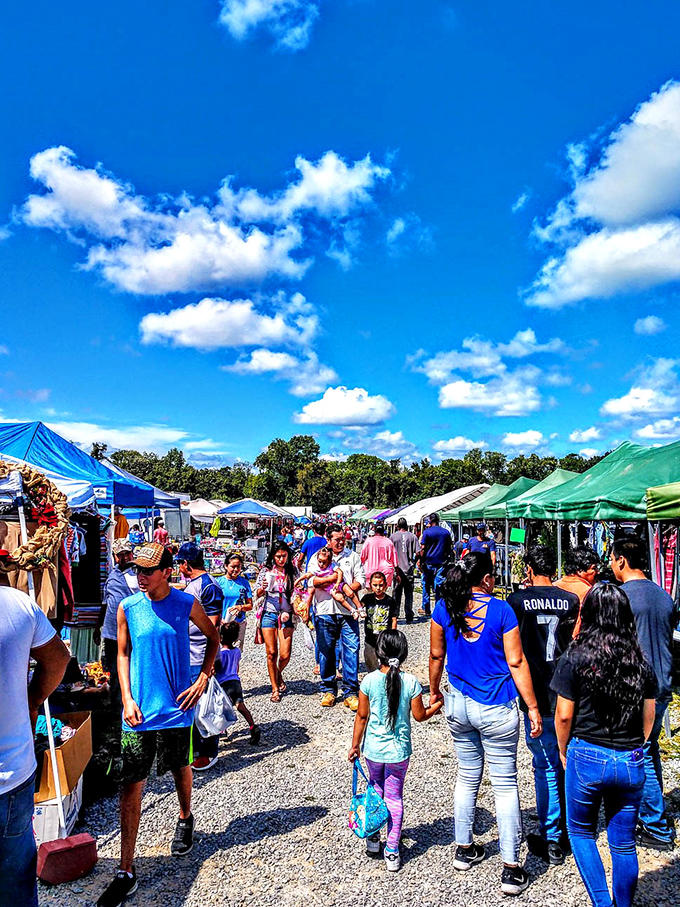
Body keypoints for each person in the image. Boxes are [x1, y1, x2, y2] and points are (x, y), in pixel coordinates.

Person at [98, 543, 219, 907]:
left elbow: (213, 637)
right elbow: (122, 653)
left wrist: (203, 677)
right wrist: (127, 697)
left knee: (181, 766)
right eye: (137, 569)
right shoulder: (128, 607)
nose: (141, 575)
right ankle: (126, 869)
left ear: (168, 571)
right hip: (138, 713)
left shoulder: (185, 604)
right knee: (130, 787)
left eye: (149, 570)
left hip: (177, 708)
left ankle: (185, 817)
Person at [429, 552, 541, 896]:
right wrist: (533, 706)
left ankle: (464, 849)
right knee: (505, 783)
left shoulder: (444, 608)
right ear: (488, 579)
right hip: (496, 705)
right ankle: (510, 867)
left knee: (466, 775)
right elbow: (517, 661)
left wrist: (434, 692)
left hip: (458, 703)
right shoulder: (502, 610)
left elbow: (436, 656)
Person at [552, 583, 657, 907]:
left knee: (582, 833)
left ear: (589, 615)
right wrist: (638, 744)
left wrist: (562, 748)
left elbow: (564, 716)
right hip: (630, 758)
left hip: (587, 755)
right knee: (623, 844)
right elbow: (649, 714)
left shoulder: (574, 657)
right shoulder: (639, 660)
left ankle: (602, 903)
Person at [508, 545, 579, 865]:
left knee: (545, 765)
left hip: (535, 690)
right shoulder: (571, 600)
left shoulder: (517, 602)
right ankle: (571, 826)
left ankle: (553, 835)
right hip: (565, 688)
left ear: (529, 569)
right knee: (566, 760)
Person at [0, 581, 70, 907]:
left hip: (13, 775)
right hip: (11, 774)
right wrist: (32, 701)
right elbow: (58, 658)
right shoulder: (18, 605)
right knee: (14, 887)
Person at [349, 629, 442, 872]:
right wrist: (436, 707)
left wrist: (354, 745)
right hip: (398, 752)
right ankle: (392, 849)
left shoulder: (368, 681)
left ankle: (373, 838)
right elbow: (420, 716)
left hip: (373, 750)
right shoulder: (411, 682)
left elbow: (362, 716)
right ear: (404, 654)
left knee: (375, 791)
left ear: (378, 654)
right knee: (394, 797)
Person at [610, 536, 677, 849]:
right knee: (648, 752)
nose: (611, 565)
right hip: (662, 684)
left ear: (622, 559)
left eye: (612, 559)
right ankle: (650, 813)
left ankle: (655, 825)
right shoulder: (664, 596)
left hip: (636, 687)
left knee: (639, 755)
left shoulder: (621, 597)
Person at [175, 542, 224, 772]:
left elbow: (213, 627)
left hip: (200, 655)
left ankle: (209, 752)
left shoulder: (208, 586)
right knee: (194, 705)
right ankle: (197, 747)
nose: (179, 568)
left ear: (186, 563)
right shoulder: (195, 584)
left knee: (206, 705)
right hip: (191, 654)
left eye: (179, 563)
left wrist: (210, 662)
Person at [308, 524, 365, 710]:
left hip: (348, 613)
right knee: (326, 651)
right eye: (336, 539)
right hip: (324, 609)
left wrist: (346, 590)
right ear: (328, 540)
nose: (340, 542)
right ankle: (328, 689)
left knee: (352, 649)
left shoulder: (352, 556)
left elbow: (361, 580)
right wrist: (331, 581)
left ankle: (350, 692)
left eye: (343, 538)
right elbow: (311, 580)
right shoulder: (318, 557)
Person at [96, 538, 139, 710]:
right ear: (114, 556)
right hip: (111, 630)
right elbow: (105, 602)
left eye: (126, 554)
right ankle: (116, 703)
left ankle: (130, 701)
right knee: (114, 668)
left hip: (131, 630)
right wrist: (97, 627)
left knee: (131, 666)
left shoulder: (138, 574)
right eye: (120, 555)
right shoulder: (112, 574)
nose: (124, 558)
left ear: (131, 553)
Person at [255, 541, 297, 702]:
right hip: (268, 613)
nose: (281, 559)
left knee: (285, 654)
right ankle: (274, 688)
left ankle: (277, 673)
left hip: (286, 613)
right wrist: (263, 587)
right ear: (273, 556)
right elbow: (257, 593)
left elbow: (299, 589)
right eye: (278, 556)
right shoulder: (266, 571)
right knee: (271, 652)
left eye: (284, 556)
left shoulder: (292, 571)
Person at [215, 622, 260, 744]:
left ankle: (222, 731)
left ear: (221, 637)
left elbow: (218, 668)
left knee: (222, 707)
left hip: (224, 684)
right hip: (236, 682)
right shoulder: (237, 652)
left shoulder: (221, 653)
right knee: (240, 705)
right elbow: (237, 667)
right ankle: (252, 726)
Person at [296, 544, 365, 619]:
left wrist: (338, 582)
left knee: (350, 593)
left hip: (340, 584)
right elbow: (308, 577)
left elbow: (340, 572)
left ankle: (360, 608)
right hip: (330, 592)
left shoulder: (332, 565)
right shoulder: (316, 567)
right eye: (319, 561)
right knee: (340, 599)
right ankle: (352, 610)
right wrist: (298, 580)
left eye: (324, 562)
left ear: (329, 561)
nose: (321, 564)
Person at [214, 552, 253, 650]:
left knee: (235, 654)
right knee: (219, 654)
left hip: (238, 623)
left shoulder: (244, 583)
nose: (236, 569)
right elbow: (212, 604)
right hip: (222, 623)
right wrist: (218, 619)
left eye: (238, 566)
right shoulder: (218, 582)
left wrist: (240, 607)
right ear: (226, 566)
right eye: (233, 566)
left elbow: (250, 605)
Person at [362, 571, 398, 671]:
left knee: (386, 662)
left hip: (385, 638)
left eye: (381, 585)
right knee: (370, 660)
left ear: (386, 585)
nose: (378, 588)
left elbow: (394, 619)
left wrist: (393, 635)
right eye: (375, 585)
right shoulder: (367, 598)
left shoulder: (390, 601)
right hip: (370, 638)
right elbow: (359, 607)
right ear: (370, 586)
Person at [419, 512, 452, 618]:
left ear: (430, 521)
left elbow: (423, 548)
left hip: (428, 562)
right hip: (441, 562)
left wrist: (420, 560)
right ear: (438, 521)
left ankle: (426, 608)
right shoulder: (446, 533)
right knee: (439, 586)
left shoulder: (427, 532)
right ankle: (438, 608)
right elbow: (449, 548)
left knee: (426, 585)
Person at [391, 517, 420, 623]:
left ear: (397, 526)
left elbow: (389, 553)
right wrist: (413, 562)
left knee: (396, 593)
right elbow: (418, 552)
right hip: (408, 569)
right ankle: (408, 613)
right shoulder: (412, 536)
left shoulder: (393, 537)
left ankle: (395, 613)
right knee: (409, 593)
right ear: (407, 525)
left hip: (397, 570)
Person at [360, 522, 399, 591]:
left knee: (369, 596)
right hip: (385, 573)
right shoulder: (389, 542)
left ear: (374, 530)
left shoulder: (368, 541)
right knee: (382, 595)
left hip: (370, 570)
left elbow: (362, 557)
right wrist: (397, 572)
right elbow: (394, 560)